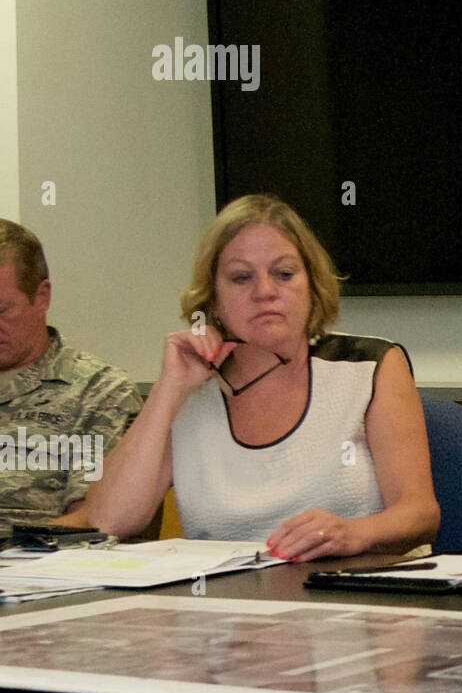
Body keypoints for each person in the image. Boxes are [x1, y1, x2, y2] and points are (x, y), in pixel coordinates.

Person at [87, 195, 439, 559]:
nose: (265, 292)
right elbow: (107, 522)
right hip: (226, 605)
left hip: (356, 597)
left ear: (312, 284)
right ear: (212, 296)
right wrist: (167, 390)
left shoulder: (369, 366)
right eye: (241, 278)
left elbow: (420, 514)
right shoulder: (188, 391)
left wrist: (354, 533)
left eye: (284, 274)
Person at [0, 220, 140, 528]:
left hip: (31, 565)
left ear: (42, 297)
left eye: (1, 311)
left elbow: (93, 519)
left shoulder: (98, 390)